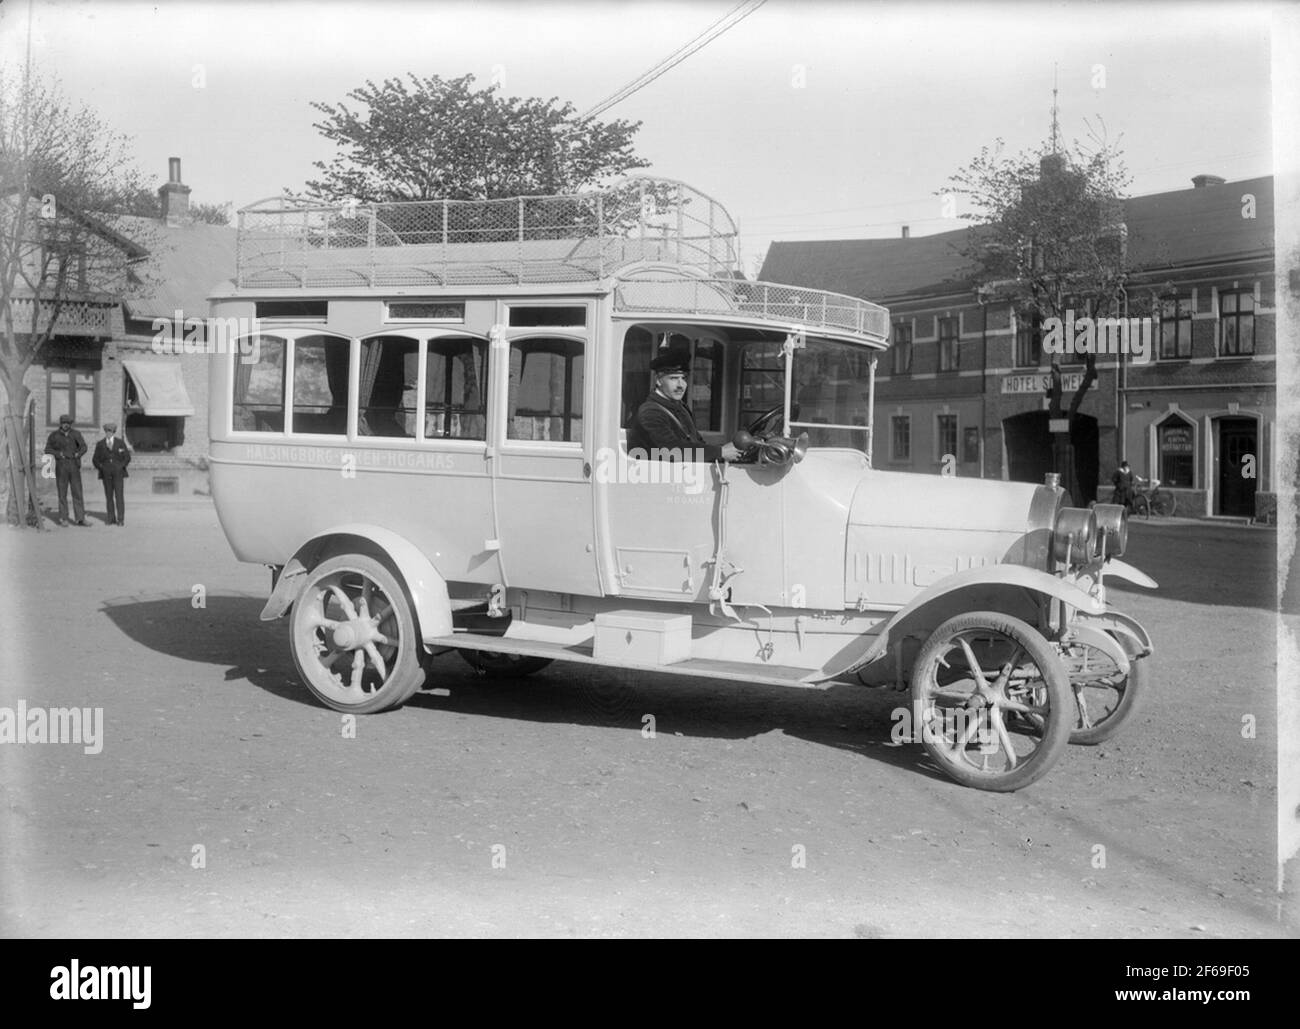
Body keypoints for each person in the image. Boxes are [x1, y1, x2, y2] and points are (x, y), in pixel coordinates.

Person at [626, 350, 741, 462]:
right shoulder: (650, 413)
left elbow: (696, 442)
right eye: (674, 378)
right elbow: (672, 450)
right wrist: (719, 452)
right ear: (658, 381)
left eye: (684, 378)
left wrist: (725, 450)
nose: (681, 385)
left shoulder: (681, 408)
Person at [44, 413, 88, 526]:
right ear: (60, 424)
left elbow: (84, 447)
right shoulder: (54, 435)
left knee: (77, 492)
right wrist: (58, 454)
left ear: (70, 424)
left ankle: (80, 518)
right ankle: (63, 518)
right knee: (62, 493)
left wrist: (78, 454)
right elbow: (47, 449)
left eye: (68, 423)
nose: (65, 425)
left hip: (74, 466)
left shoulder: (76, 434)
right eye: (63, 423)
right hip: (61, 466)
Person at [92, 421, 131, 526]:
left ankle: (121, 519)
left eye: (111, 431)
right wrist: (101, 467)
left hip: (118, 474)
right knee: (109, 496)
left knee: (119, 496)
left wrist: (121, 466)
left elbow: (127, 457)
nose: (109, 433)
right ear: (105, 432)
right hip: (106, 474)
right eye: (107, 431)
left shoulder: (120, 443)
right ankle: (110, 518)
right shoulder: (100, 444)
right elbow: (95, 459)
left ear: (114, 432)